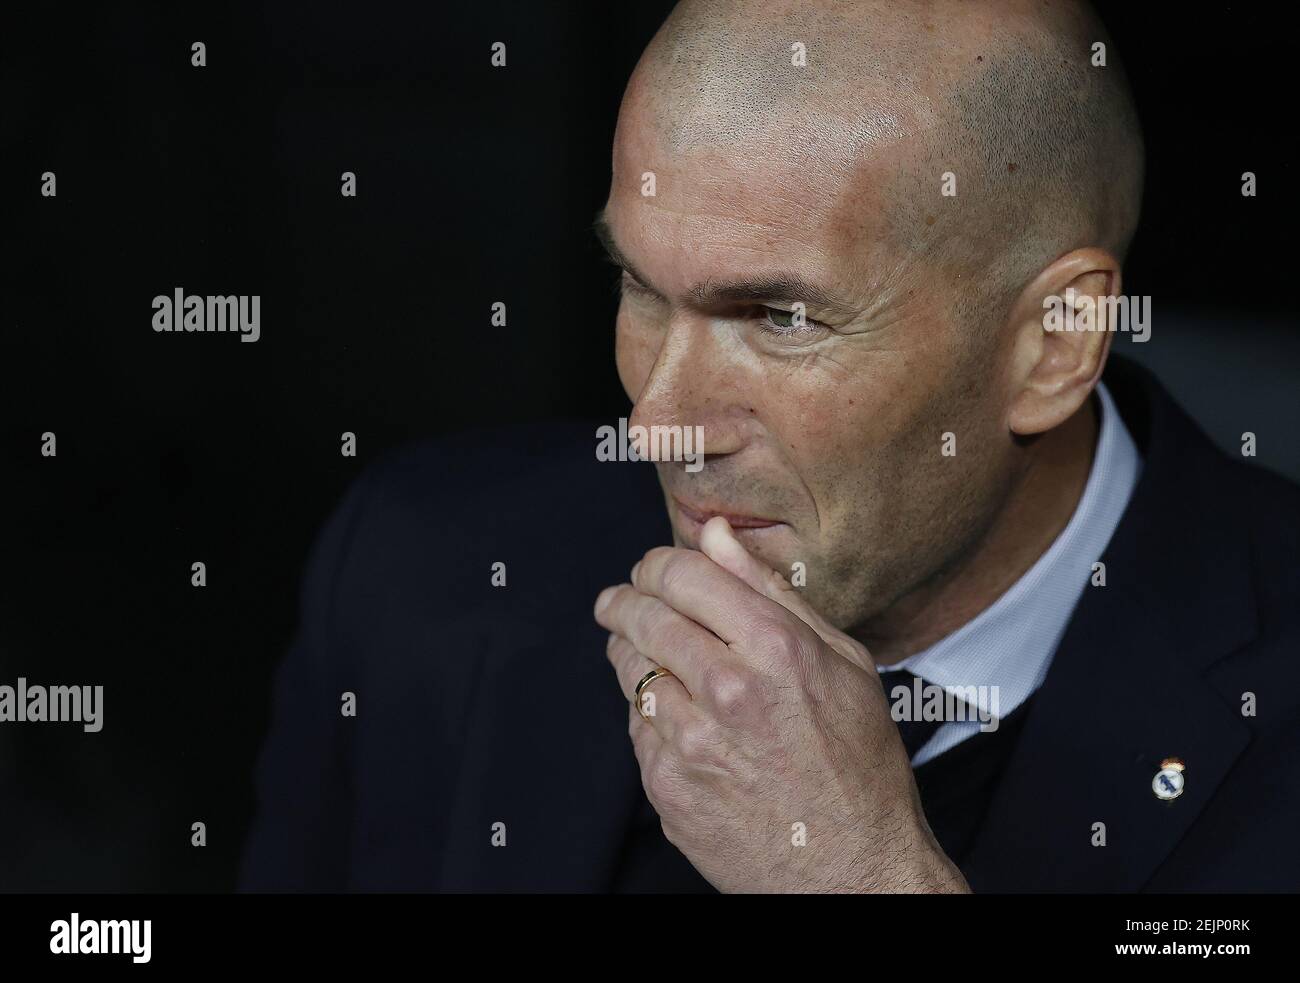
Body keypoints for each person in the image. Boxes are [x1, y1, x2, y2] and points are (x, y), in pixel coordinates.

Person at [240, 0, 1300, 892]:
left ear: (1050, 346)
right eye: (640, 289)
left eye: (780, 320)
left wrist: (861, 872)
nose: (656, 423)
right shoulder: (419, 568)